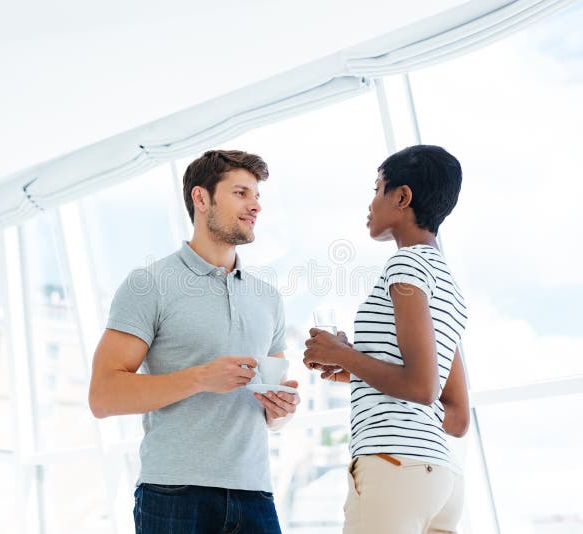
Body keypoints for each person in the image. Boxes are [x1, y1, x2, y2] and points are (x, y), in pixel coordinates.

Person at [89, 149, 300, 534]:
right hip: (174, 495)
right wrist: (201, 378)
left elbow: (275, 416)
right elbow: (103, 395)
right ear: (201, 198)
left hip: (255, 494)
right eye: (241, 193)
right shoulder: (149, 284)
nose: (255, 206)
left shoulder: (268, 298)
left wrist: (280, 408)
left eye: (257, 197)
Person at [303, 145, 468, 533]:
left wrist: (344, 355)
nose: (371, 203)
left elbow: (421, 387)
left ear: (402, 196)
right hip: (440, 478)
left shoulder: (406, 264)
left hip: (394, 468)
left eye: (377, 189)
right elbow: (456, 415)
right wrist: (356, 371)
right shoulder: (450, 286)